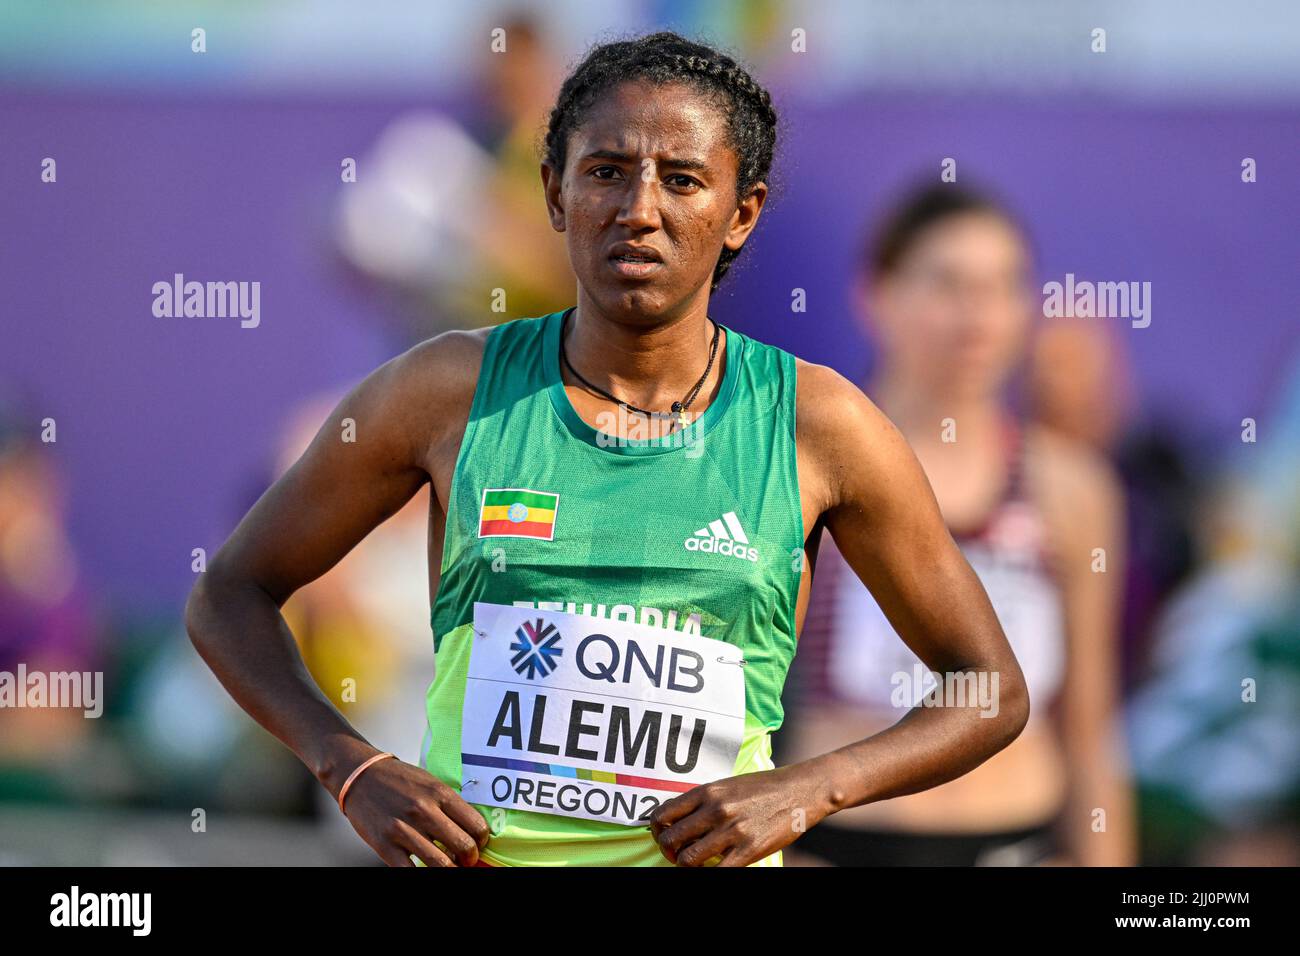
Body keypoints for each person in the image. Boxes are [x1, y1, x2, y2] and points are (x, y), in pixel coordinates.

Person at [185, 32, 1029, 868]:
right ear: (555, 194)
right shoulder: (448, 391)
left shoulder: (817, 423)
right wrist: (351, 764)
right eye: (606, 172)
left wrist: (810, 788)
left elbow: (990, 688)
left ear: (743, 214)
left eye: (685, 180)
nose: (641, 209)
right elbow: (229, 594)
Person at [782, 185, 1136, 866]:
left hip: (1013, 840)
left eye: (1002, 286)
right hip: (838, 843)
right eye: (947, 283)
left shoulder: (1071, 488)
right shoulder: (806, 469)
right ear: (874, 295)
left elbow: (1090, 725)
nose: (977, 317)